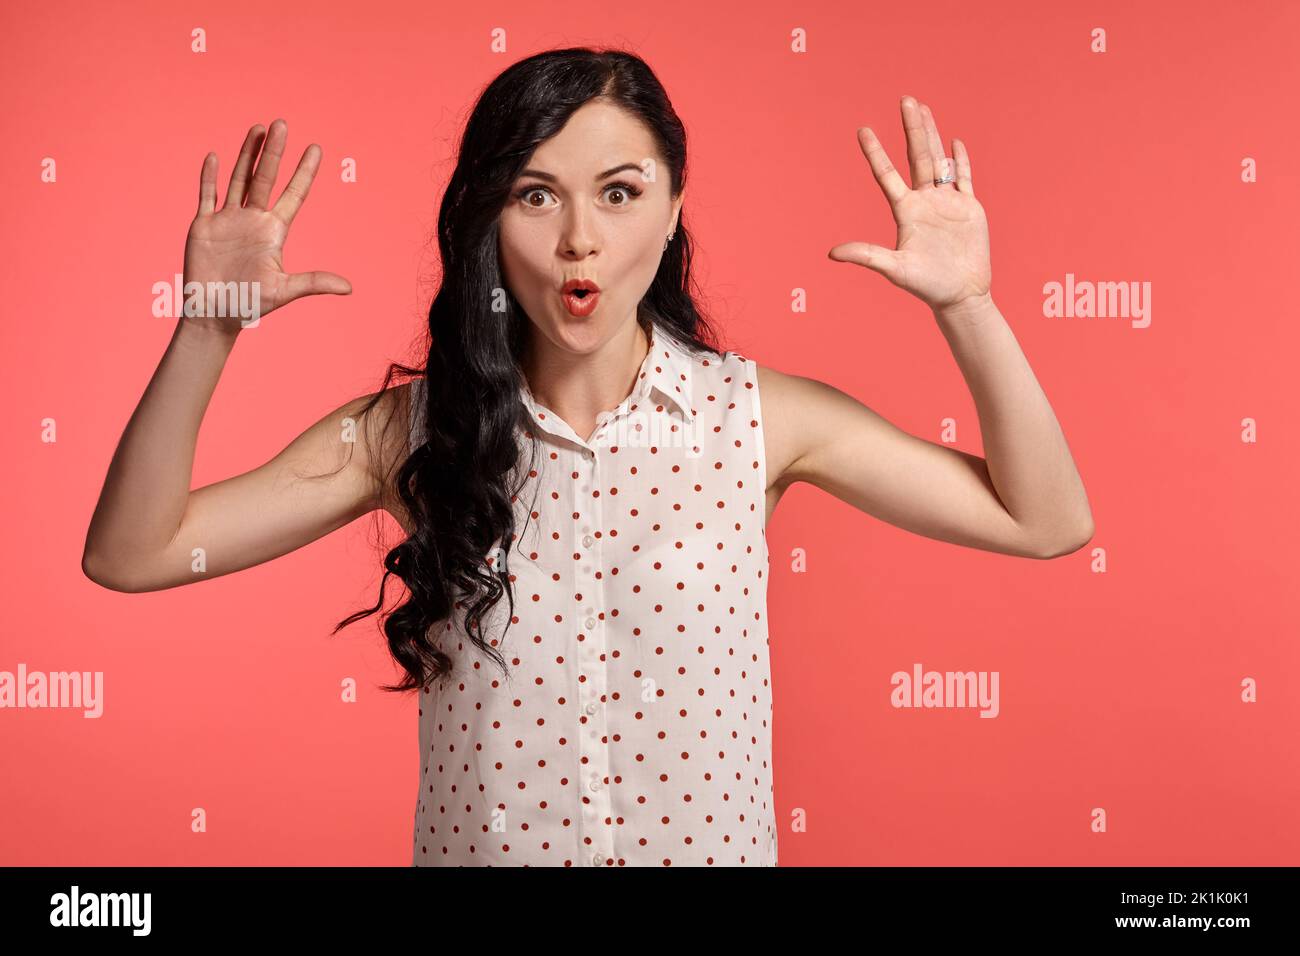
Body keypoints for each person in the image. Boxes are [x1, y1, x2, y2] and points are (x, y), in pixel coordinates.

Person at [82, 47, 1093, 867]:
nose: (579, 240)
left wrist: (966, 307)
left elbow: (1044, 520)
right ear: (486, 215)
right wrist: (208, 326)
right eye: (535, 195)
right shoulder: (407, 433)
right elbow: (134, 552)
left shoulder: (760, 417)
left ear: (673, 204)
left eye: (618, 192)